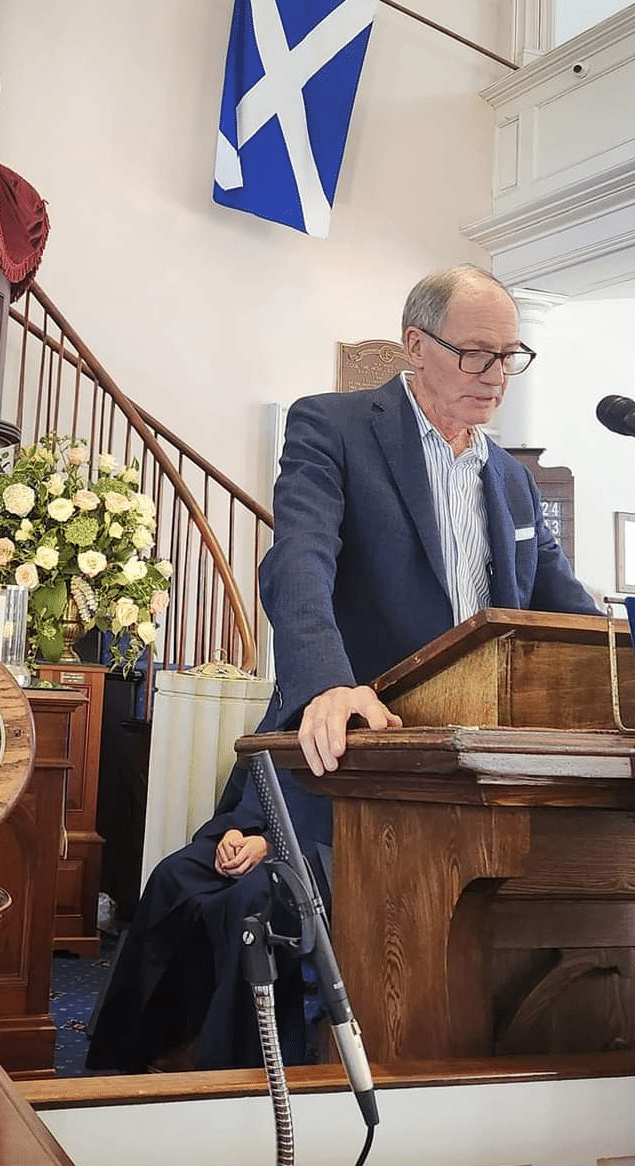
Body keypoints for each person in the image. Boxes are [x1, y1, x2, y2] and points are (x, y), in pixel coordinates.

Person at [86, 264, 598, 1075]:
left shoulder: (513, 480)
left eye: (511, 355)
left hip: (479, 774)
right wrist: (327, 680)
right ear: (415, 344)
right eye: (475, 354)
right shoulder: (333, 427)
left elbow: (564, 611)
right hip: (354, 758)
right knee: (269, 904)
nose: (497, 375)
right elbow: (300, 563)